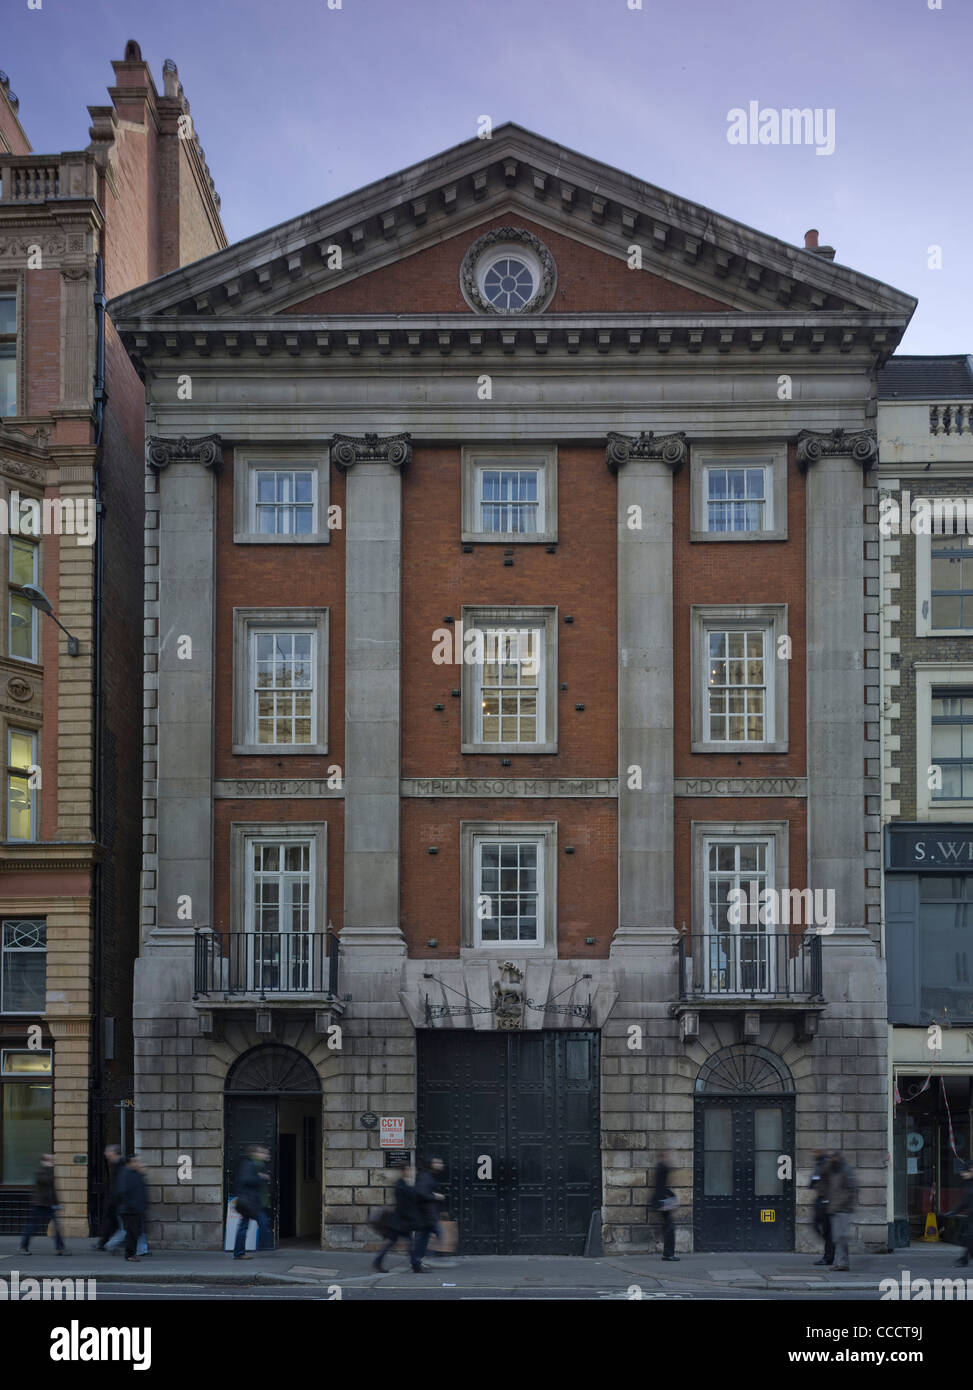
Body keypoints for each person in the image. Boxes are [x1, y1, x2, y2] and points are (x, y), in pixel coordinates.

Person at [372, 1163, 423, 1273]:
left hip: (401, 1221)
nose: (410, 1172)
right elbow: (403, 1205)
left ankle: (415, 1265)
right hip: (401, 1222)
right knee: (405, 1243)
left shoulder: (403, 1183)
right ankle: (415, 1265)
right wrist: (411, 1218)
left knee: (403, 1243)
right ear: (403, 1171)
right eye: (408, 1170)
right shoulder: (400, 1185)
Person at [19, 1154, 67, 1255]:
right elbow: (46, 1181)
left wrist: (58, 1204)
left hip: (50, 1205)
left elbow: (53, 1190)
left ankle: (60, 1248)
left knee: (57, 1226)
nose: (51, 1162)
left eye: (52, 1160)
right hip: (39, 1204)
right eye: (49, 1160)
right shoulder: (40, 1172)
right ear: (43, 1162)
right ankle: (23, 1247)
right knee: (33, 1227)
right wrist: (49, 1168)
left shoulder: (49, 1172)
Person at [233, 1144, 271, 1260]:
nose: (265, 1155)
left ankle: (239, 1252)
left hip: (252, 1202)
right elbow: (246, 1179)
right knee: (262, 1224)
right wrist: (260, 1177)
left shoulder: (257, 1165)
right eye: (262, 1153)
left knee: (244, 1226)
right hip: (250, 1202)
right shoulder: (249, 1164)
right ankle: (264, 1246)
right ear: (255, 1154)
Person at [821, 1151, 856, 1272]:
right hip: (834, 1208)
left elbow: (852, 1188)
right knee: (837, 1237)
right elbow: (822, 1175)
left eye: (833, 1157)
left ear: (838, 1158)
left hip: (843, 1208)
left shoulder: (845, 1170)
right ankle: (840, 1262)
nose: (831, 1159)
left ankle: (842, 1263)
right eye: (829, 1157)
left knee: (841, 1237)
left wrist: (843, 1202)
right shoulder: (832, 1170)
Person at [412, 1157, 447, 1266]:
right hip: (425, 1213)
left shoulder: (429, 1175)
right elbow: (421, 1192)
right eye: (437, 1162)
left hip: (428, 1213)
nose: (441, 1164)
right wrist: (435, 1196)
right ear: (431, 1164)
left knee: (425, 1237)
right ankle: (424, 1258)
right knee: (433, 1235)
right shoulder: (425, 1176)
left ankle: (421, 1259)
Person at [114, 1154, 148, 1263]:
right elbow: (123, 1192)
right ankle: (129, 1254)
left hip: (136, 1209)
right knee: (131, 1233)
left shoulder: (136, 1174)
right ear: (130, 1163)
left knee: (134, 1233)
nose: (137, 1163)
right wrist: (131, 1205)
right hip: (130, 1210)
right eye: (135, 1161)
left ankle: (130, 1253)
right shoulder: (125, 1174)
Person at [651, 1149, 679, 1262]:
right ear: (663, 1157)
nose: (669, 1157)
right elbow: (660, 1187)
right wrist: (666, 1201)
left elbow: (662, 1186)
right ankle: (668, 1254)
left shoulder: (661, 1167)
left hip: (661, 1201)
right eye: (667, 1155)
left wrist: (672, 1197)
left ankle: (668, 1254)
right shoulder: (661, 1168)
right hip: (661, 1201)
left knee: (668, 1227)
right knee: (670, 1228)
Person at [809, 1148, 834, 1266]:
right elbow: (816, 1179)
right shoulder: (819, 1164)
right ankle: (830, 1251)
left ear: (821, 1153)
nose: (814, 1154)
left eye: (816, 1152)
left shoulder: (827, 1165)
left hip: (826, 1200)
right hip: (820, 1198)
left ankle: (828, 1257)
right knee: (816, 1225)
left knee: (827, 1230)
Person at [949, 1161, 973, 1267]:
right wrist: (954, 1211)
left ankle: (964, 1259)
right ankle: (965, 1258)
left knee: (970, 1237)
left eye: (965, 1172)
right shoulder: (967, 1183)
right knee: (969, 1237)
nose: (962, 1174)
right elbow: (965, 1201)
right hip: (971, 1215)